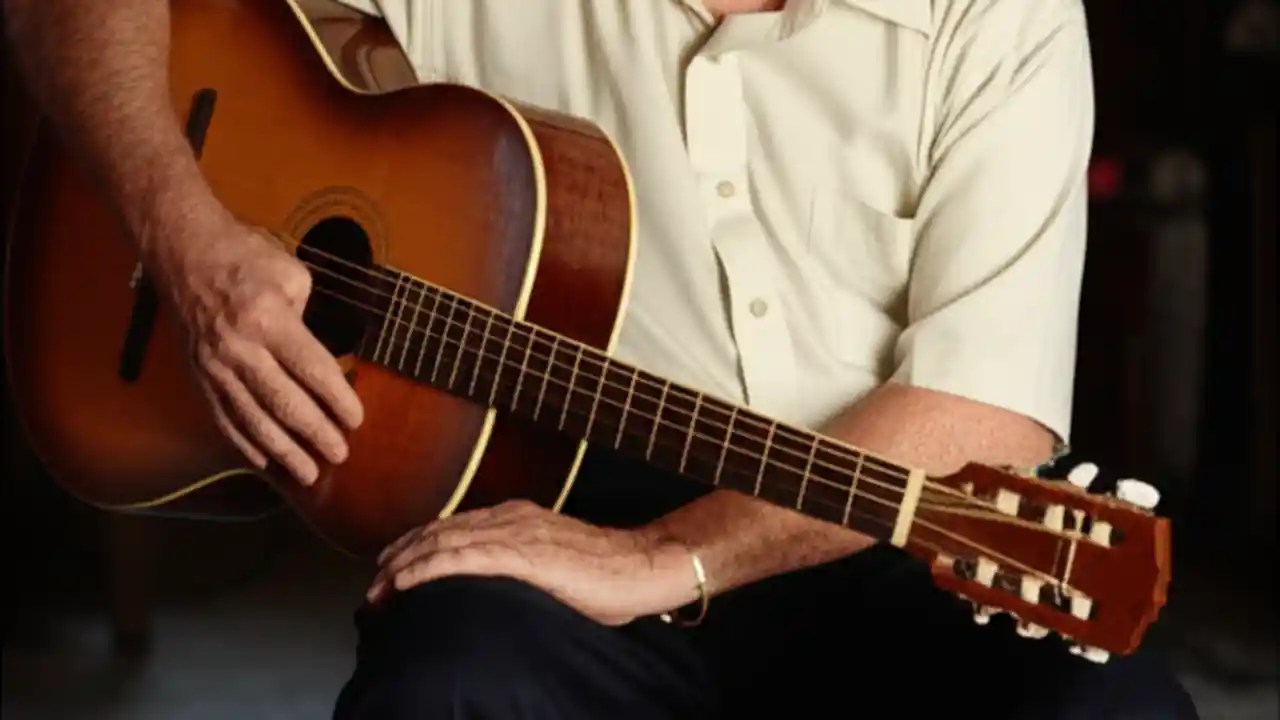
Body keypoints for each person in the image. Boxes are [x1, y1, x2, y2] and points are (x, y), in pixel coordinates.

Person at [4, 0, 1199, 717]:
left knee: (1113, 707)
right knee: (449, 679)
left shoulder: (999, 14)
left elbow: (981, 411)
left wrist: (665, 556)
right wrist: (185, 234)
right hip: (556, 504)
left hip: (886, 532)